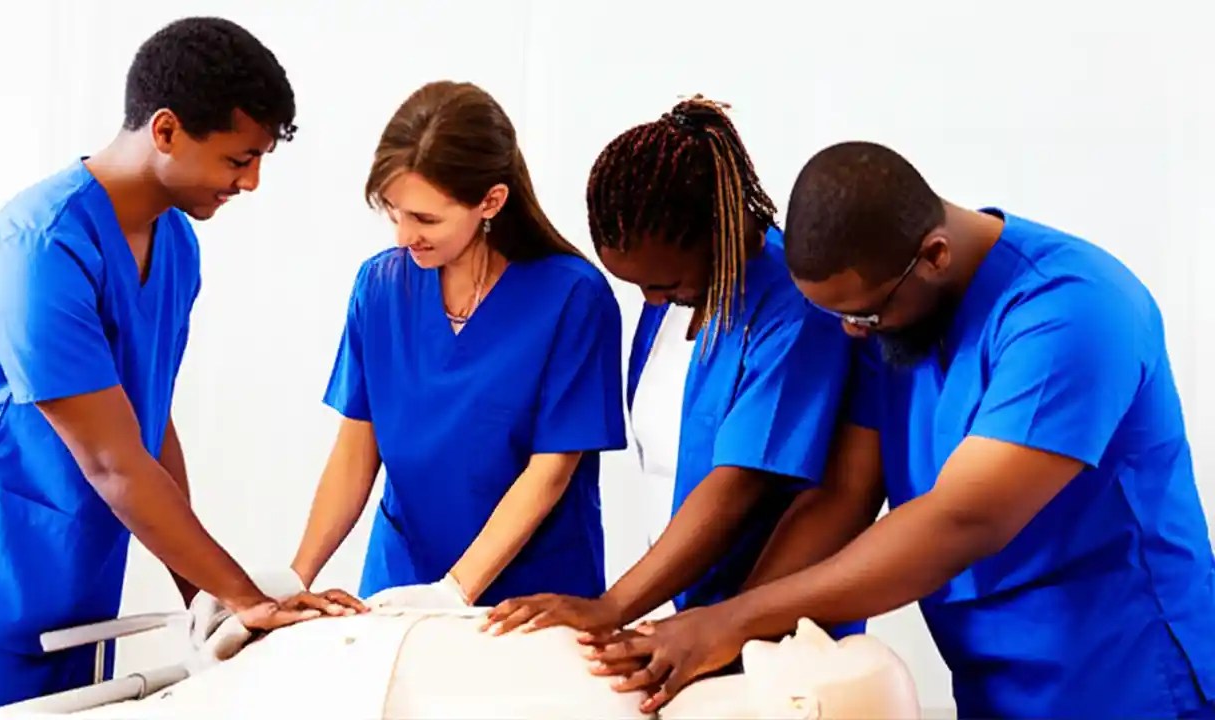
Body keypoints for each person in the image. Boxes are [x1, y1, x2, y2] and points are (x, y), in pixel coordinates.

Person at [582, 141, 1215, 718]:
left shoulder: (1072, 311)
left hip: (1125, 676)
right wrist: (722, 637)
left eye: (862, 316)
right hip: (989, 680)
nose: (852, 333)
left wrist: (737, 620)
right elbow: (843, 496)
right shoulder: (893, 316)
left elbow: (961, 521)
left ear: (934, 255)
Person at [0, 17, 342, 719]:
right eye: (239, 159)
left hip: (77, 580)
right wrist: (244, 595)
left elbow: (149, 424)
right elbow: (112, 461)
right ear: (166, 131)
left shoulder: (176, 244)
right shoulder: (37, 248)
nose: (251, 182)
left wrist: (209, 601)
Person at [484, 99, 877, 652]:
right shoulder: (674, 297)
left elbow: (739, 483)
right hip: (682, 620)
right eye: (640, 287)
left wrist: (613, 607)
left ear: (714, 234)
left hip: (773, 635)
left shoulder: (795, 309)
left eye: (663, 286)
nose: (651, 300)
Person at [288, 81, 626, 611]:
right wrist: (295, 578)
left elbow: (551, 470)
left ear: (491, 201)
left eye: (426, 219)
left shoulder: (573, 298)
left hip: (529, 598)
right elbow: (355, 451)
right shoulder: (380, 288)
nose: (403, 236)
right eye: (394, 212)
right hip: (400, 579)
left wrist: (454, 591)